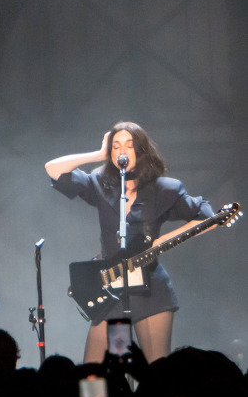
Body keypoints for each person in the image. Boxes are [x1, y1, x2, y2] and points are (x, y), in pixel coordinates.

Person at [45, 122, 213, 364]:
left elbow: (207, 215)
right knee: (97, 376)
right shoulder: (100, 184)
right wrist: (98, 154)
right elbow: (53, 169)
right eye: (116, 146)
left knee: (156, 372)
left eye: (128, 145)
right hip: (111, 291)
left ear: (141, 150)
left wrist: (163, 240)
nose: (121, 150)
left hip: (151, 292)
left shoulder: (163, 188)